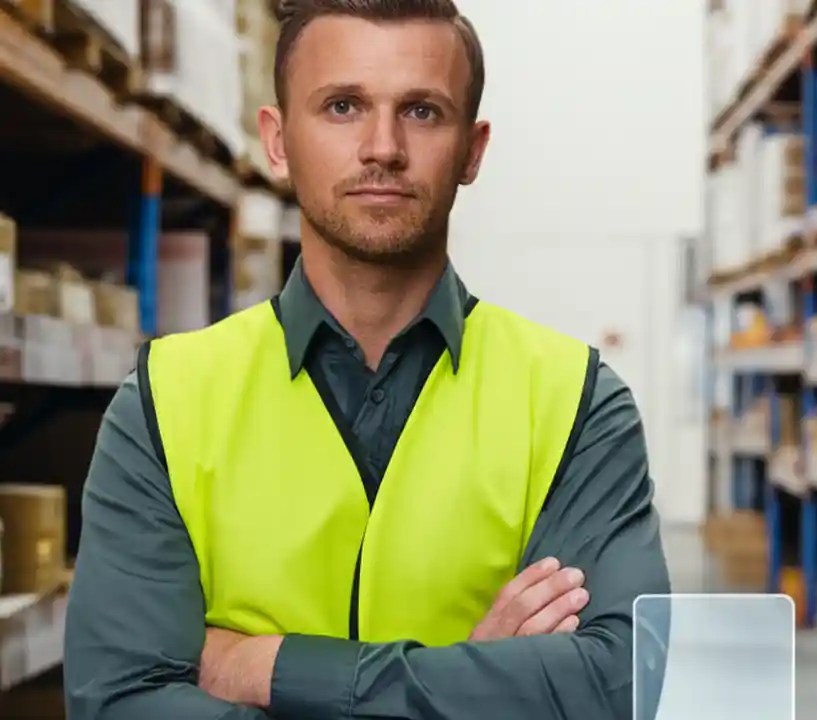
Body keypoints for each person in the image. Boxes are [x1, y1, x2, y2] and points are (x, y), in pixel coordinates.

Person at [63, 1, 671, 717]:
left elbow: (622, 683)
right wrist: (474, 684)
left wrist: (271, 668)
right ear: (278, 138)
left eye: (421, 111)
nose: (382, 146)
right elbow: (119, 703)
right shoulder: (165, 402)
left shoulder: (576, 402)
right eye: (343, 106)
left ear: (472, 151)